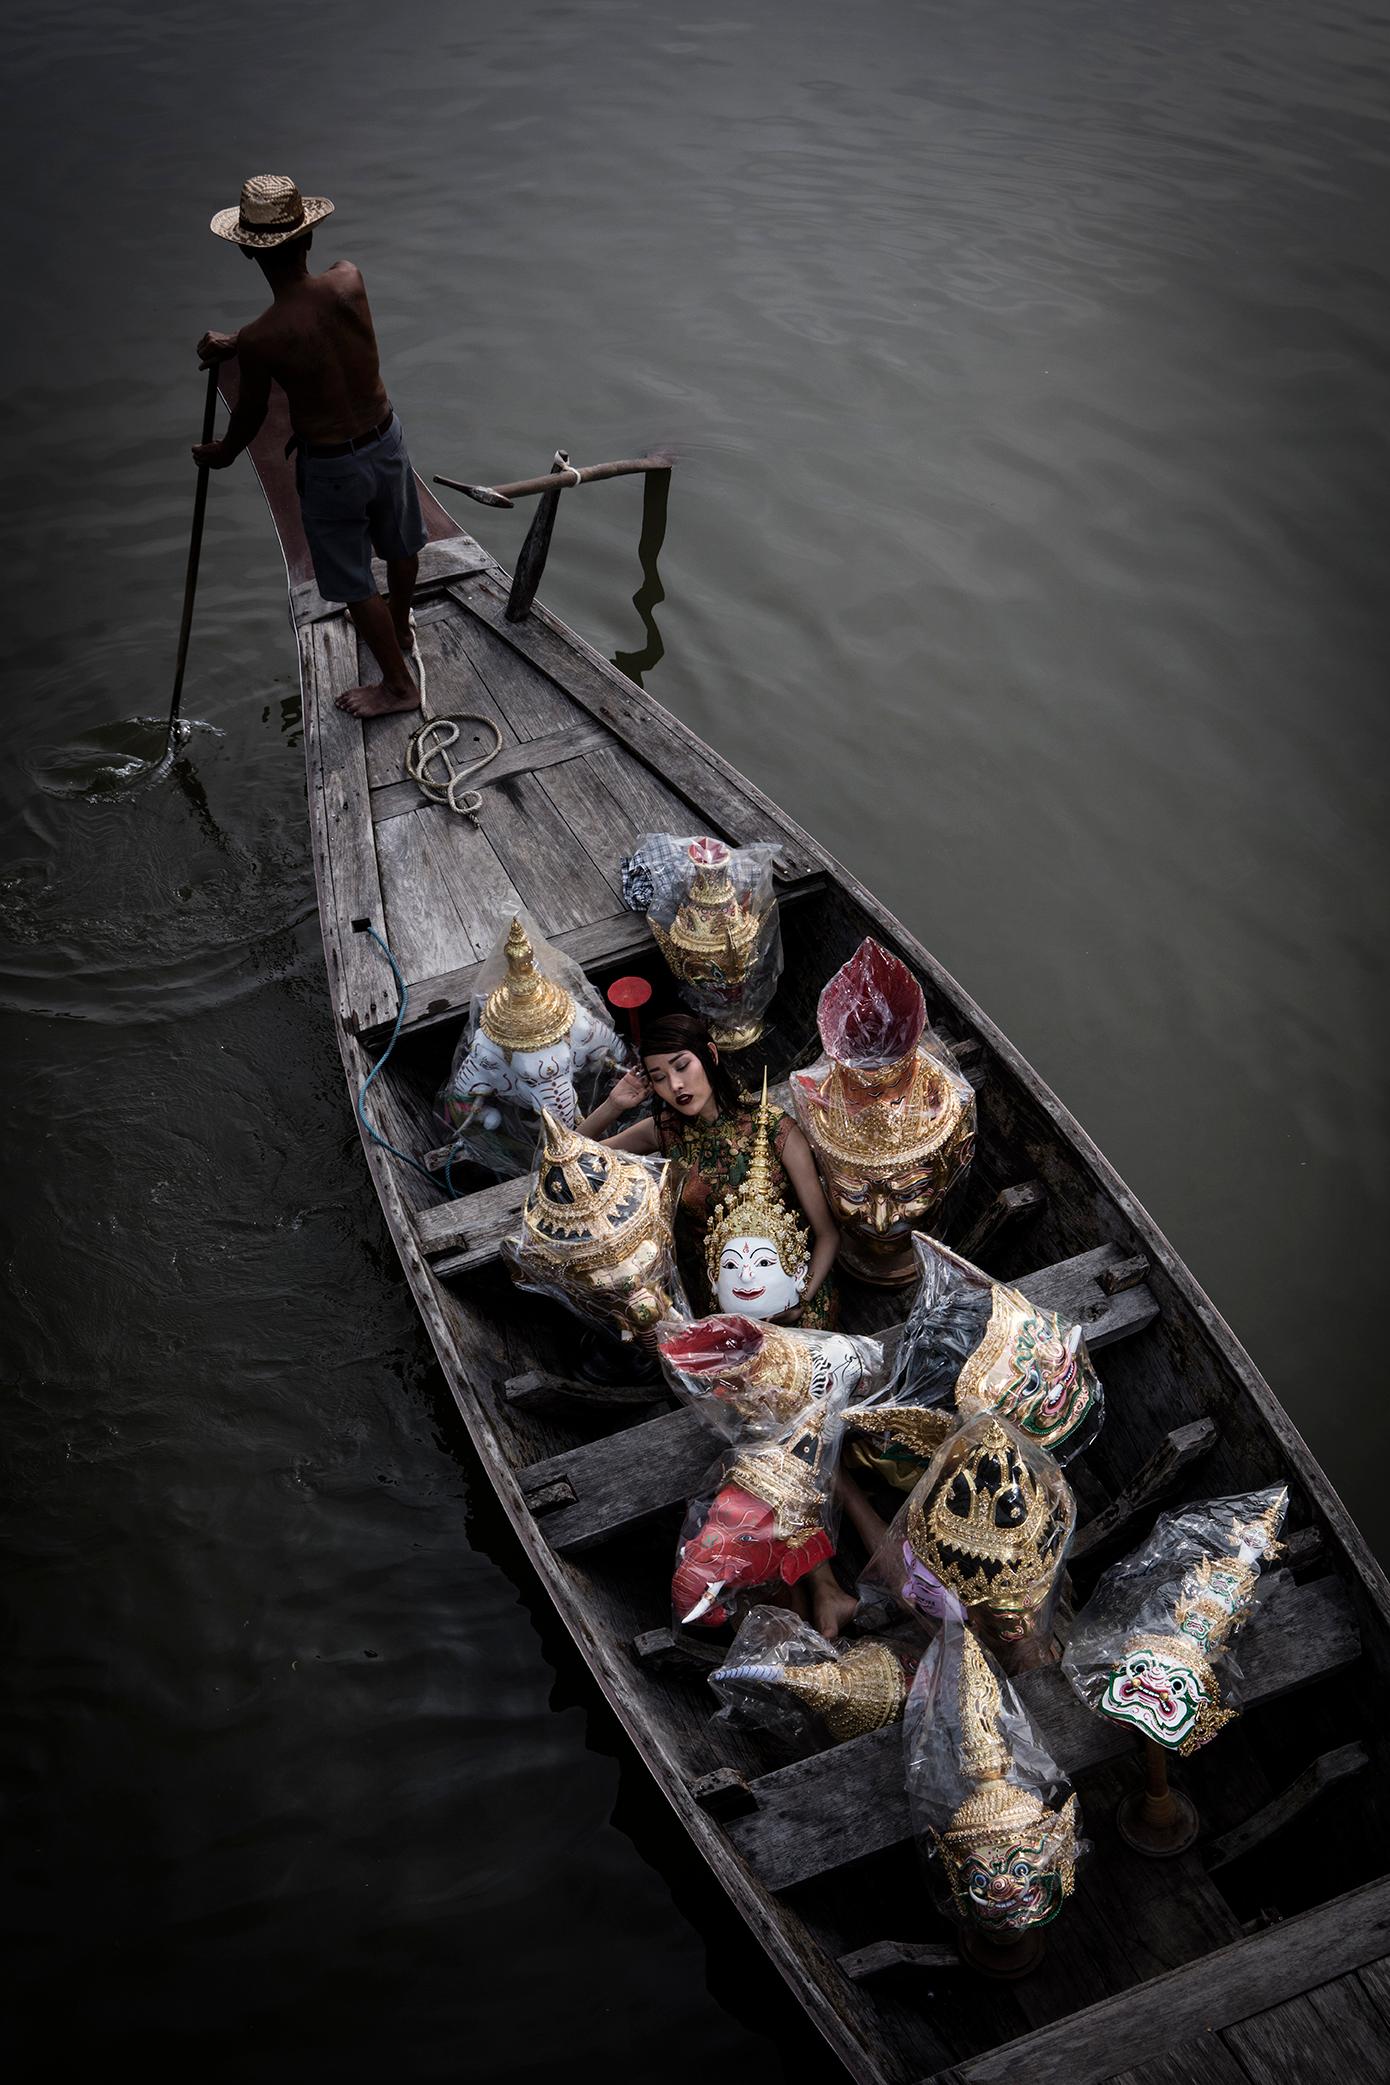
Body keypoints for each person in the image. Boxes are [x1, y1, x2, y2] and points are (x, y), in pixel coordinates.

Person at [193, 174, 426, 719]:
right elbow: (313, 326)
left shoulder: (262, 339)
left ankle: (397, 686)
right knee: (399, 545)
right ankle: (401, 631)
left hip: (332, 466)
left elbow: (250, 415)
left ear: (250, 254)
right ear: (309, 238)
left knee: (351, 580)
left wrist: (222, 452)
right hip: (386, 439)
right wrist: (242, 342)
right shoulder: (350, 280)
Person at [580, 1012, 841, 1327]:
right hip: (720, 1300)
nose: (675, 1085)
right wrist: (614, 1105)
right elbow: (574, 1157)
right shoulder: (664, 1131)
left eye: (681, 1066)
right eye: (659, 1077)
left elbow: (827, 1233)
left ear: (710, 1055)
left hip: (795, 1293)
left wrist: (802, 1295)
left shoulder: (773, 1128)